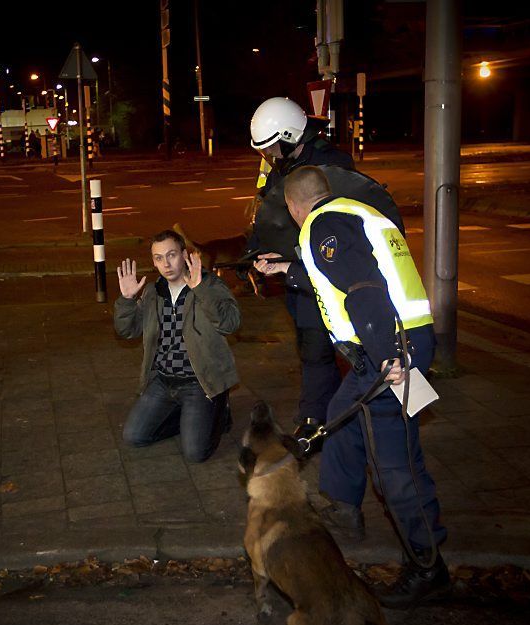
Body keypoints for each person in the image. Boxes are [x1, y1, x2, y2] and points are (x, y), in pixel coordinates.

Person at [254, 166, 449, 609]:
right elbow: (338, 277)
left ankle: (427, 566)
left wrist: (386, 357)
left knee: (395, 468)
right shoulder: (350, 214)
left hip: (388, 349)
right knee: (342, 418)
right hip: (392, 343)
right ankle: (342, 504)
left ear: (294, 207)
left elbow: (363, 288)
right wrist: (288, 268)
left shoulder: (325, 226)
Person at [246, 97, 355, 454]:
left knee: (319, 347)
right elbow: (270, 207)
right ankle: (327, 412)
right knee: (311, 345)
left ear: (292, 136)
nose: (270, 156)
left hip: (323, 269)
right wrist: (255, 250)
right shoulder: (280, 164)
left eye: (274, 148)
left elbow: (336, 223)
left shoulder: (332, 165)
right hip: (294, 269)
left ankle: (316, 420)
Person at [114, 230, 240, 463]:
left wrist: (201, 290)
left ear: (184, 255)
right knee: (134, 436)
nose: (166, 264)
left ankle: (218, 413)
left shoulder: (209, 283)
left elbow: (231, 323)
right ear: (153, 262)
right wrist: (127, 300)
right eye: (159, 258)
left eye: (171, 255)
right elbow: (127, 330)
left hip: (199, 382)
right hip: (163, 381)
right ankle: (191, 419)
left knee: (195, 454)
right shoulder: (153, 292)